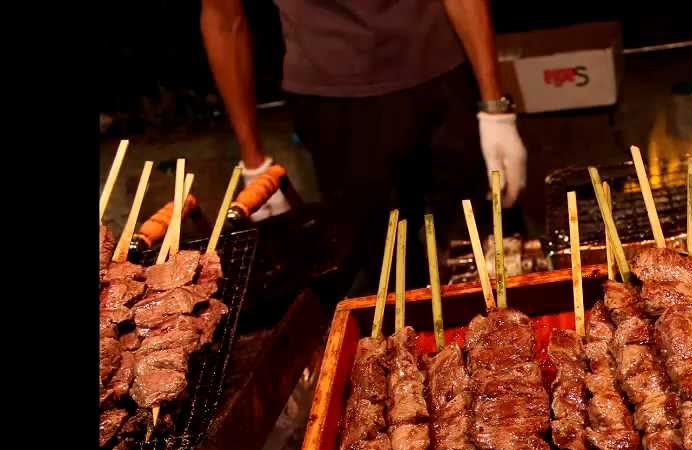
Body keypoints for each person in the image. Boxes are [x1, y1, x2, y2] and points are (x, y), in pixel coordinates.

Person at [200, 0, 527, 293]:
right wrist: (252, 159)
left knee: (489, 253)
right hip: (334, 104)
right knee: (387, 271)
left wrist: (494, 108)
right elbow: (223, 18)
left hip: (444, 77)